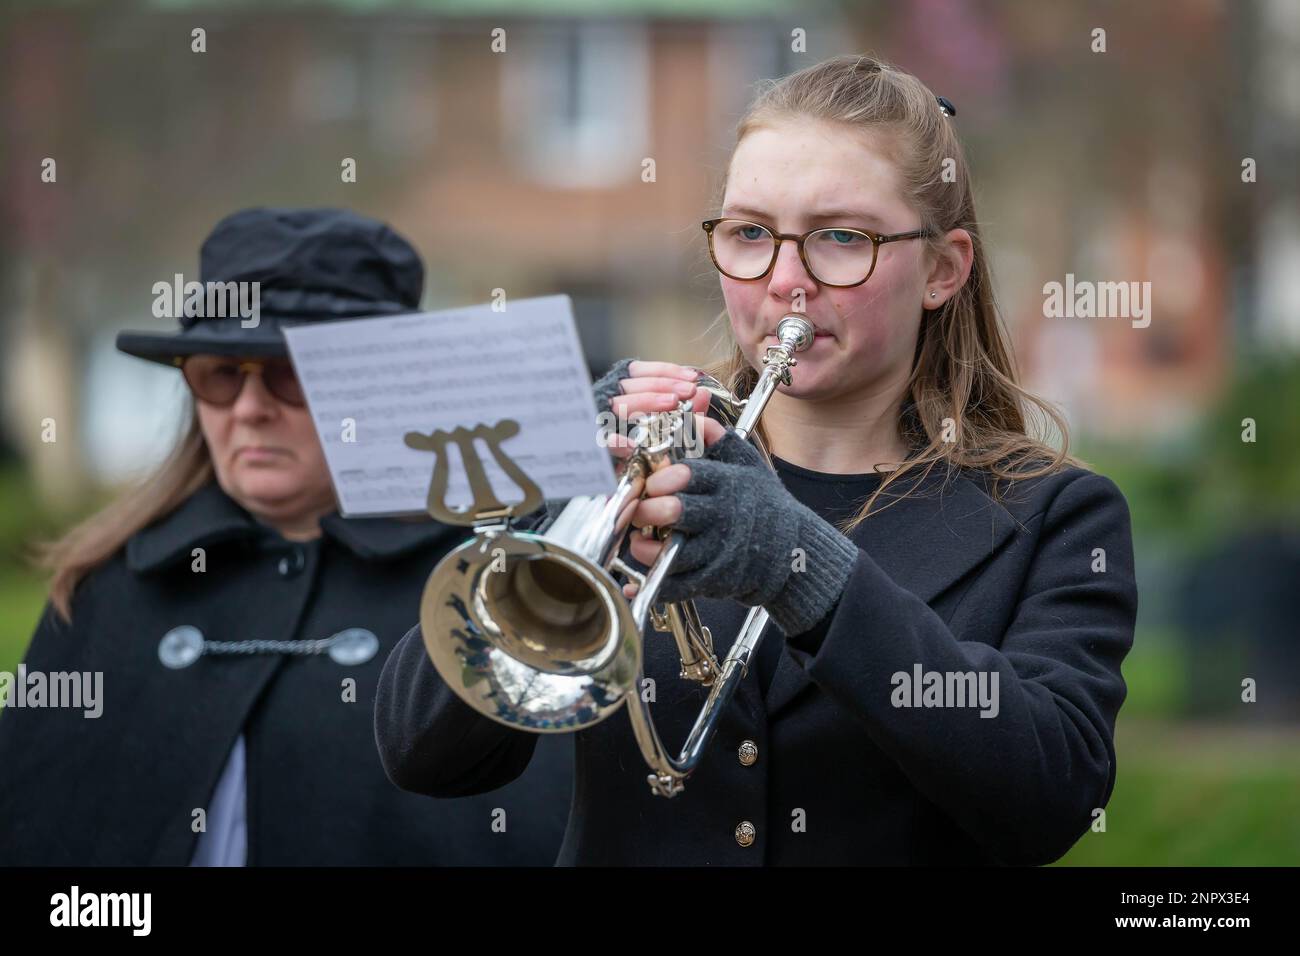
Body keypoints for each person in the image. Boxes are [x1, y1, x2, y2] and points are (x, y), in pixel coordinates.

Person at [374, 55, 1138, 865]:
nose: (784, 281)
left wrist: (804, 570)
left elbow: (1051, 793)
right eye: (749, 234)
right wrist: (550, 502)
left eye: (841, 238)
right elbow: (424, 754)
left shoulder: (1052, 515)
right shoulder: (647, 467)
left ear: (943, 269)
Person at [0, 207, 572, 866]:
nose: (249, 409)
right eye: (220, 373)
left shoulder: (489, 595)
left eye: (290, 372)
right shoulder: (108, 588)